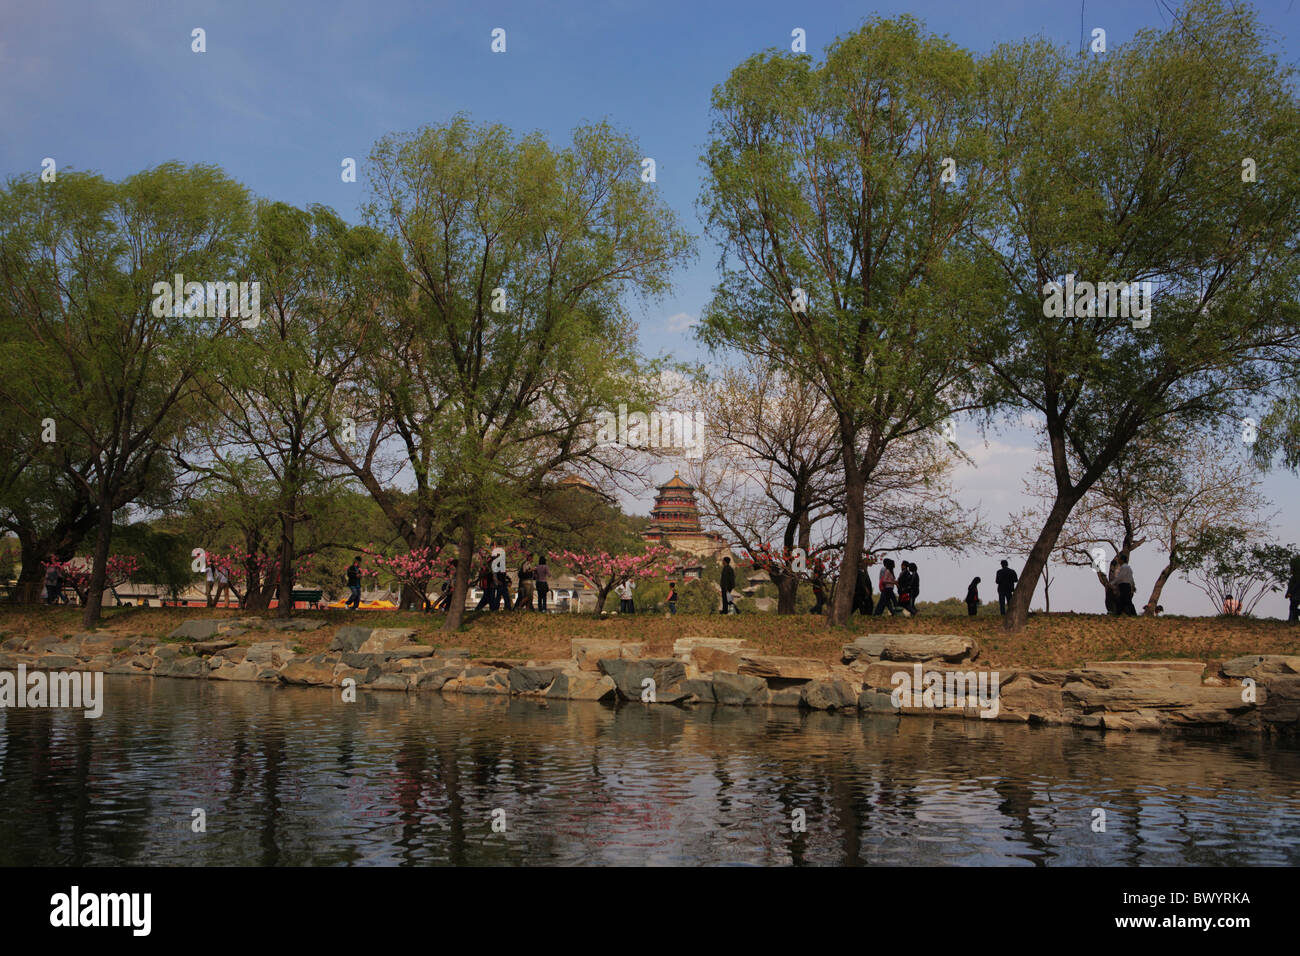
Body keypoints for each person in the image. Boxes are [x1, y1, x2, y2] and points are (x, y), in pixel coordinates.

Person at [1286, 557, 1300, 624]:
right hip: (1295, 595)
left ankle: (1291, 621)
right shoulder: (1294, 577)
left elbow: (1295, 586)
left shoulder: (1296, 577)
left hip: (1296, 595)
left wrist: (1290, 593)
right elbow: (1290, 586)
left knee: (1293, 608)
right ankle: (1293, 620)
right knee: (1292, 607)